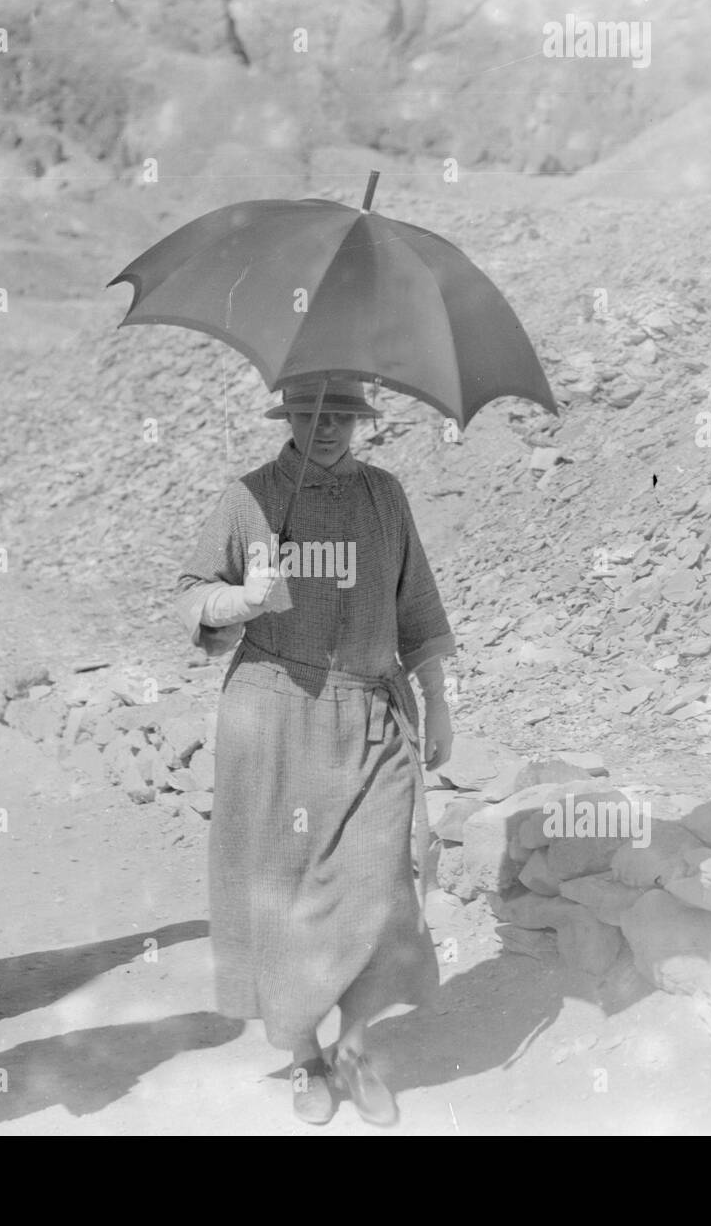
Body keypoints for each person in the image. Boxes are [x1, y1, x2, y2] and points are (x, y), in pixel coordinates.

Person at [175, 379, 455, 1126]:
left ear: (361, 420)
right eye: (310, 414)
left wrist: (438, 701)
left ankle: (357, 1045)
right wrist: (243, 599)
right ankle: (304, 1055)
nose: (325, 428)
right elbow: (192, 595)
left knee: (382, 888)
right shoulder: (251, 497)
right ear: (288, 416)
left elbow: (418, 605)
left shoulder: (386, 495)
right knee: (286, 897)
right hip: (273, 716)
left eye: (341, 415)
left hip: (368, 712)